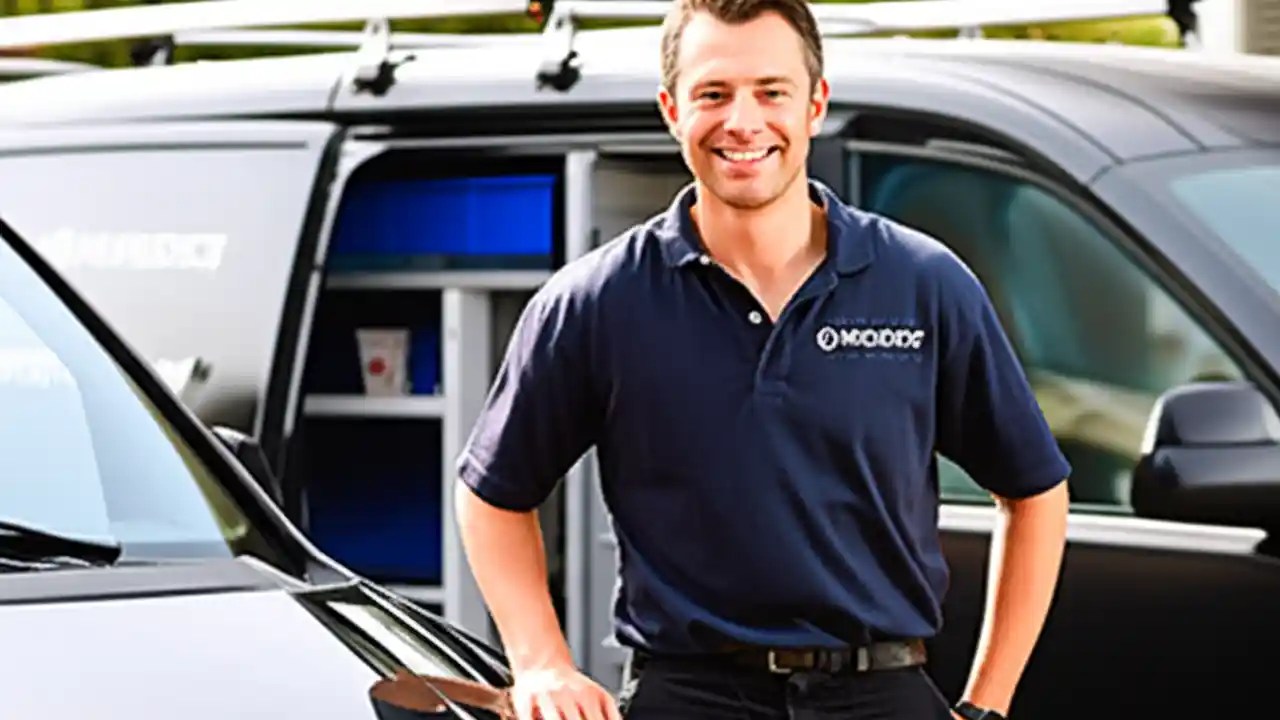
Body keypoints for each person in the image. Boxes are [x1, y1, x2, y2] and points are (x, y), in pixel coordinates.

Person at [453, 1, 1071, 718]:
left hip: (884, 692)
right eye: (712, 94)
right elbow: (492, 494)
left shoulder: (923, 284)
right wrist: (540, 665)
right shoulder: (599, 302)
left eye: (771, 92)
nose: (743, 122)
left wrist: (986, 706)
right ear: (671, 110)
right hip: (686, 696)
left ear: (815, 104)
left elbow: (1034, 492)